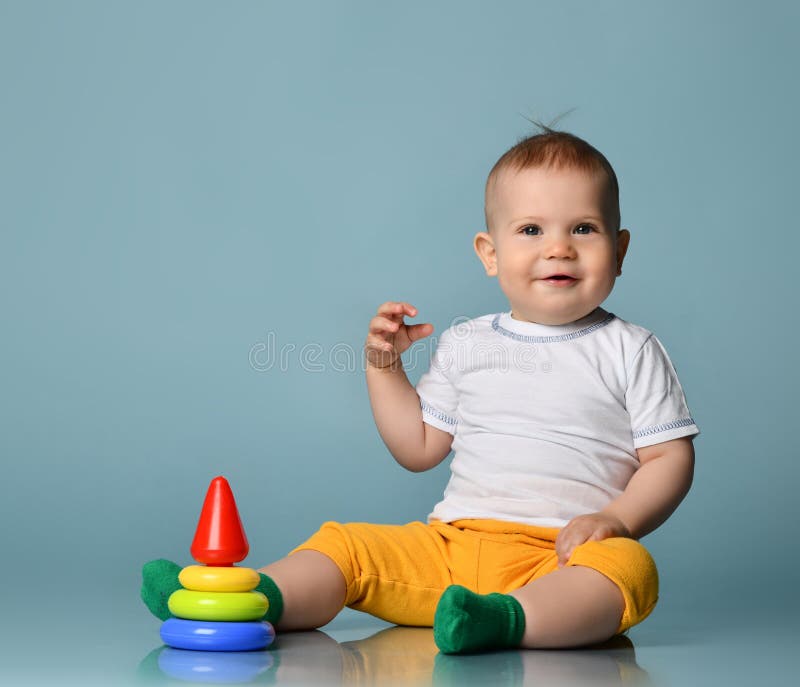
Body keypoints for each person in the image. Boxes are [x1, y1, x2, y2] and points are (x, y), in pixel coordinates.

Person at [142, 126, 700, 654]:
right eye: (531, 230)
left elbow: (669, 457)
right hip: (449, 552)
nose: (559, 248)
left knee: (630, 570)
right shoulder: (466, 343)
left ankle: (504, 621)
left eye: (584, 228)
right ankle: (235, 600)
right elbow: (419, 448)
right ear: (490, 253)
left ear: (620, 250)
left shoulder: (630, 348)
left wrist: (618, 522)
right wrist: (384, 369)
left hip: (562, 559)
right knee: (346, 545)